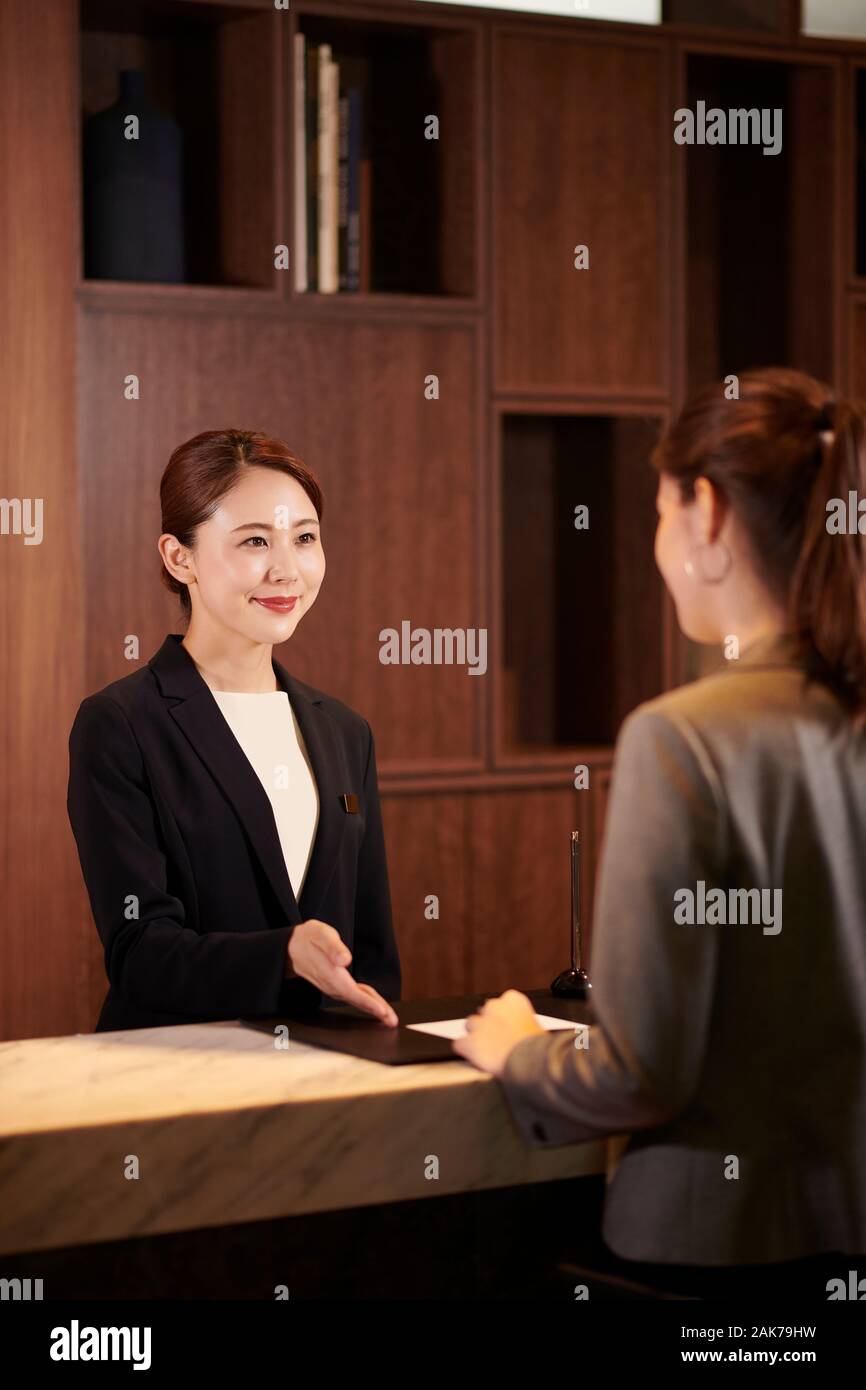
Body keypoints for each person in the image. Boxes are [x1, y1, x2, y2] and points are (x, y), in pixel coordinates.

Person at [455, 368, 866, 1297]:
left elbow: (640, 1073)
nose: (656, 542)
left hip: (711, 1257)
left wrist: (521, 1045)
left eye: (659, 511)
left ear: (708, 516)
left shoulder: (680, 737)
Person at [67, 429, 400, 1032]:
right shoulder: (120, 724)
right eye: (254, 541)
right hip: (180, 1080)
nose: (287, 569)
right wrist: (283, 956)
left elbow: (373, 956)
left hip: (328, 1077)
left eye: (304, 538)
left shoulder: (346, 732)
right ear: (179, 557)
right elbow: (138, 952)